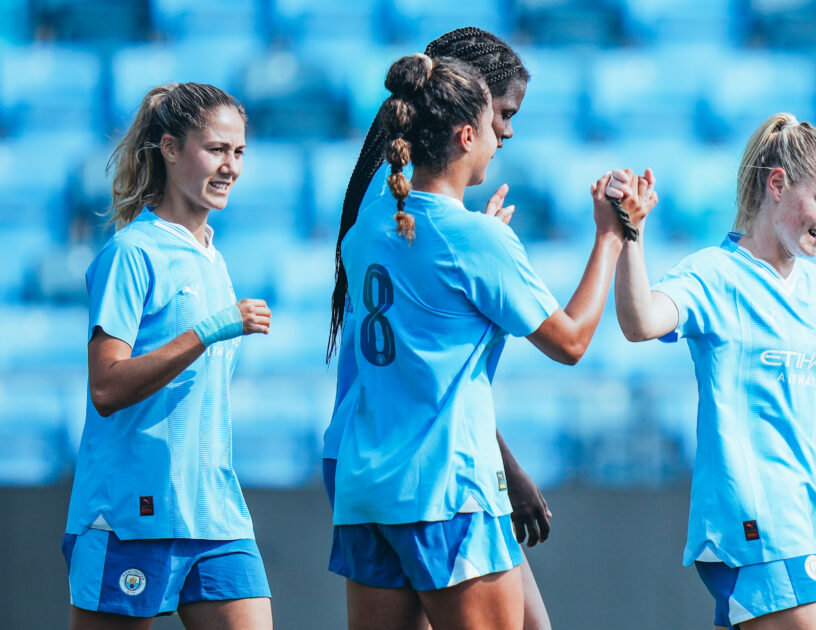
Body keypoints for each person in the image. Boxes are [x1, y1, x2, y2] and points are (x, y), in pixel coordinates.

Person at [323, 52, 653, 630]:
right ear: (465, 134)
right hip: (445, 492)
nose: (501, 141)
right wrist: (609, 236)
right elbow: (571, 341)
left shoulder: (367, 228)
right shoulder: (473, 240)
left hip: (367, 491)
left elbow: (430, 316)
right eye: (492, 127)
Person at [613, 113, 816, 630]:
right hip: (752, 531)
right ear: (777, 184)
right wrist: (631, 233)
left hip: (796, 527)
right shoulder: (713, 273)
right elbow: (640, 321)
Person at [324, 27, 553, 630]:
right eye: (502, 113)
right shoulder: (415, 204)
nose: (506, 132)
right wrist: (485, 244)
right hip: (424, 468)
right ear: (464, 121)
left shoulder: (392, 198)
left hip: (372, 458)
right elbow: (426, 364)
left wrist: (508, 469)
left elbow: (433, 352)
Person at [62, 82, 274, 630]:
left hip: (216, 514)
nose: (230, 166)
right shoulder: (131, 253)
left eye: (239, 152)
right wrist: (210, 330)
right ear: (171, 148)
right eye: (217, 150)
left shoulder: (214, 259)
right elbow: (106, 387)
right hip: (134, 515)